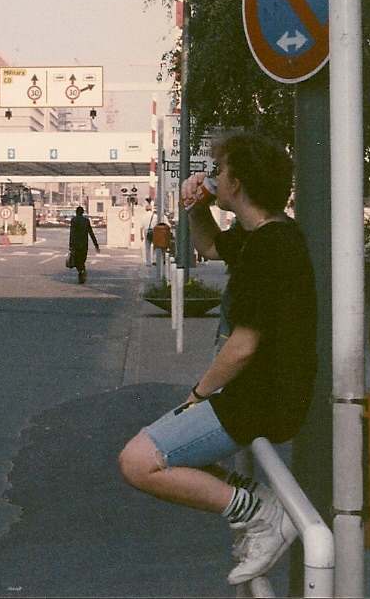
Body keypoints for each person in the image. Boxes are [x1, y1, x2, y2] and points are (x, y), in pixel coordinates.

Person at [117, 131, 317, 586]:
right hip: (262, 392)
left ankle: (260, 512)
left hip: (260, 396)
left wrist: (198, 393)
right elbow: (208, 247)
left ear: (238, 182)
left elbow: (244, 344)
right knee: (167, 452)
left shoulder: (271, 246)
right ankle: (254, 504)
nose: (214, 177)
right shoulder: (265, 235)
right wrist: (195, 205)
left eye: (220, 171)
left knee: (139, 461)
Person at [67, 205, 99, 284]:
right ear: (83, 212)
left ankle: (81, 272)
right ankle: (82, 272)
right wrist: (96, 245)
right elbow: (91, 233)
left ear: (76, 212)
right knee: (82, 260)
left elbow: (72, 233)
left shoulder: (73, 220)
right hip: (84, 244)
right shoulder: (86, 221)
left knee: (77, 260)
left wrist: (70, 245)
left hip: (75, 244)